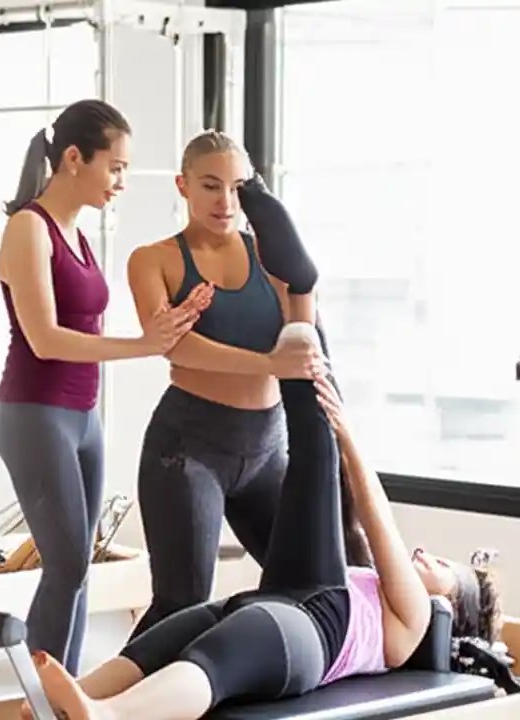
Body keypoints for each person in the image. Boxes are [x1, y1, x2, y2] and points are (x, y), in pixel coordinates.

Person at [24, 328, 503, 720]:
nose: (426, 555)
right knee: (167, 638)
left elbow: (381, 528)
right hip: (278, 596)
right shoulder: (370, 585)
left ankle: (109, 716)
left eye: (443, 566)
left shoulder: (416, 620)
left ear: (450, 603)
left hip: (305, 631)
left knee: (214, 659)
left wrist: (348, 436)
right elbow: (345, 517)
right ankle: (66, 702)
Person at [0, 99, 213, 676]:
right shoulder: (28, 228)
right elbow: (45, 339)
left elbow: (87, 329)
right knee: (66, 564)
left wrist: (171, 324)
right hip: (34, 413)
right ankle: (38, 703)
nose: (121, 182)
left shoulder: (76, 233)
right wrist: (144, 344)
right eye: (114, 167)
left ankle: (66, 698)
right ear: (74, 158)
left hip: (81, 415)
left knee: (78, 568)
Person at [125, 130, 326, 637]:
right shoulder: (154, 259)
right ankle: (106, 690)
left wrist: (303, 284)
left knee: (313, 585)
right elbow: (176, 346)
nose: (225, 201)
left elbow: (301, 337)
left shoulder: (270, 256)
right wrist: (269, 363)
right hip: (188, 450)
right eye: (211, 186)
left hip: (267, 448)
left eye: (237, 188)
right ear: (183, 185)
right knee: (181, 604)